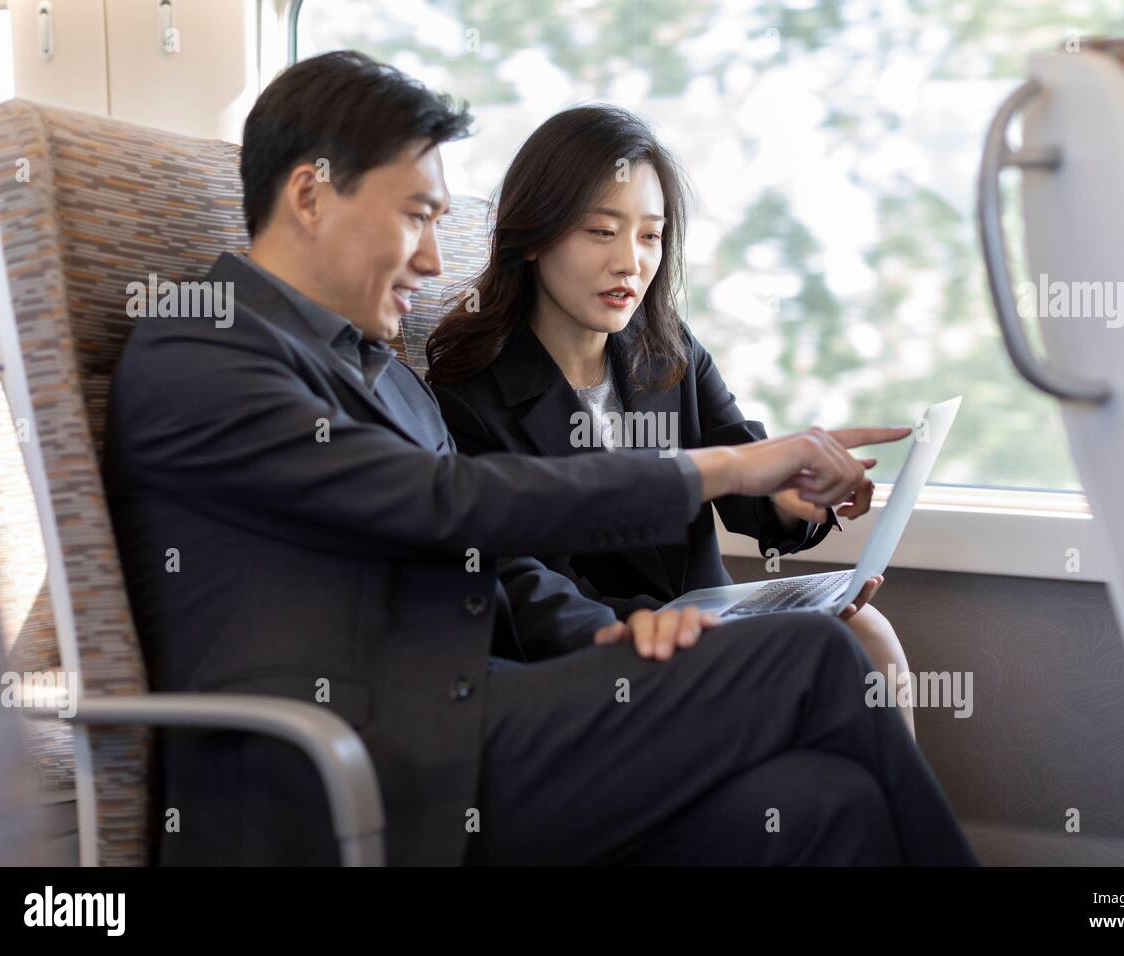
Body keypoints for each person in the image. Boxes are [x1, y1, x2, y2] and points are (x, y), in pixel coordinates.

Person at [103, 50, 976, 865]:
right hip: (342, 763)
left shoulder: (387, 378)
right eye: (416, 217)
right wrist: (728, 467)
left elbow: (501, 565)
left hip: (471, 721)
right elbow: (442, 502)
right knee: (810, 658)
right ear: (310, 195)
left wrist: (612, 632)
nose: (436, 260)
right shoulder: (203, 348)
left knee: (822, 799)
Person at [427, 105, 915, 738]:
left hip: (707, 616)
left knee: (866, 632)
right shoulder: (468, 395)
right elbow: (525, 588)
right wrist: (646, 626)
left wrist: (796, 501)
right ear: (535, 235)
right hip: (607, 651)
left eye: (650, 236)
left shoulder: (668, 351)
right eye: (603, 231)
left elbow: (746, 478)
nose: (630, 262)